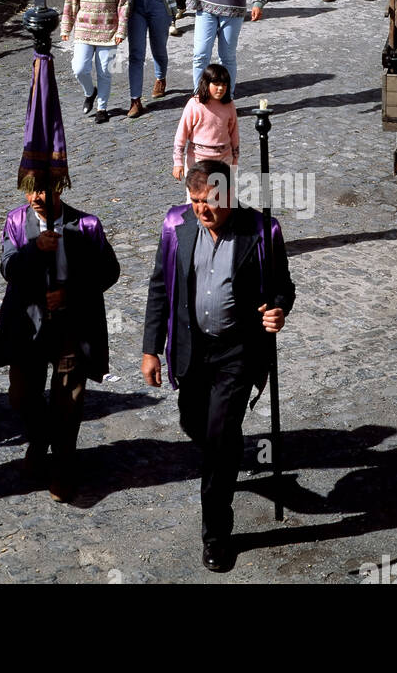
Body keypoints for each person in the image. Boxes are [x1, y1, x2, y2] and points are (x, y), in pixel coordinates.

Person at [141, 160, 295, 572]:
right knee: (195, 425)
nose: (201, 210)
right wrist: (150, 349)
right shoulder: (176, 226)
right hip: (192, 350)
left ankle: (216, 534)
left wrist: (278, 309)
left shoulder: (262, 231)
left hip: (237, 353)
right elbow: (159, 287)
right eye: (194, 201)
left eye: (209, 202)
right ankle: (223, 458)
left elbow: (283, 286)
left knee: (219, 437)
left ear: (228, 196)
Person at [0, 178, 120, 501]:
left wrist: (71, 293)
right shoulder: (16, 221)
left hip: (72, 327)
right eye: (31, 190)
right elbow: (8, 268)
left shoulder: (86, 225)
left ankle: (63, 468)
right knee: (22, 394)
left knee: (67, 401)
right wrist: (34, 250)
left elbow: (109, 271)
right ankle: (40, 441)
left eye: (44, 190)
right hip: (28, 327)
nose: (36, 197)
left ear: (60, 188)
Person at [60, 0, 129, 124]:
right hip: (84, 30)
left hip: (108, 31)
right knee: (79, 68)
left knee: (105, 70)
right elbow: (70, 1)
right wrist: (66, 27)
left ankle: (102, 108)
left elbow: (123, 4)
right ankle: (90, 92)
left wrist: (121, 30)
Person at [173, 64, 239, 176]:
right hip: (198, 161)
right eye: (216, 84)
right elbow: (181, 134)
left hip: (224, 160)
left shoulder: (229, 105)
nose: (221, 88)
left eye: (224, 84)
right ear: (206, 84)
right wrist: (178, 162)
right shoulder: (194, 104)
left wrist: (235, 160)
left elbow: (234, 133)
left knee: (224, 193)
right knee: (199, 193)